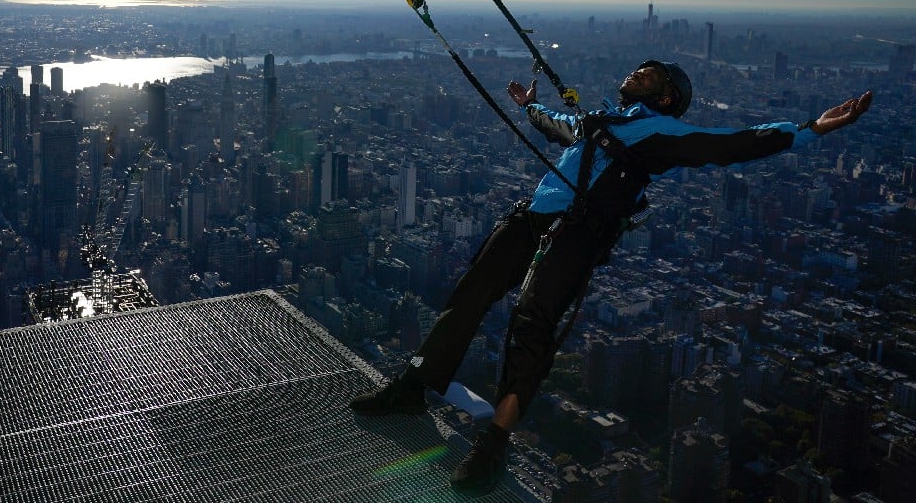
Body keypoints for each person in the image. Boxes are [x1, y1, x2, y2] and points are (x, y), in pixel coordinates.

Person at [349, 60, 873, 490]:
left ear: (667, 99)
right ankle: (414, 385)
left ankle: (493, 448)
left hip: (577, 233)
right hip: (529, 218)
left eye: (653, 74)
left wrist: (809, 130)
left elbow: (729, 145)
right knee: (467, 299)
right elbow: (559, 124)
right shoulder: (602, 120)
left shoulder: (663, 131)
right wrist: (529, 106)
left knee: (531, 326)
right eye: (641, 67)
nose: (640, 71)